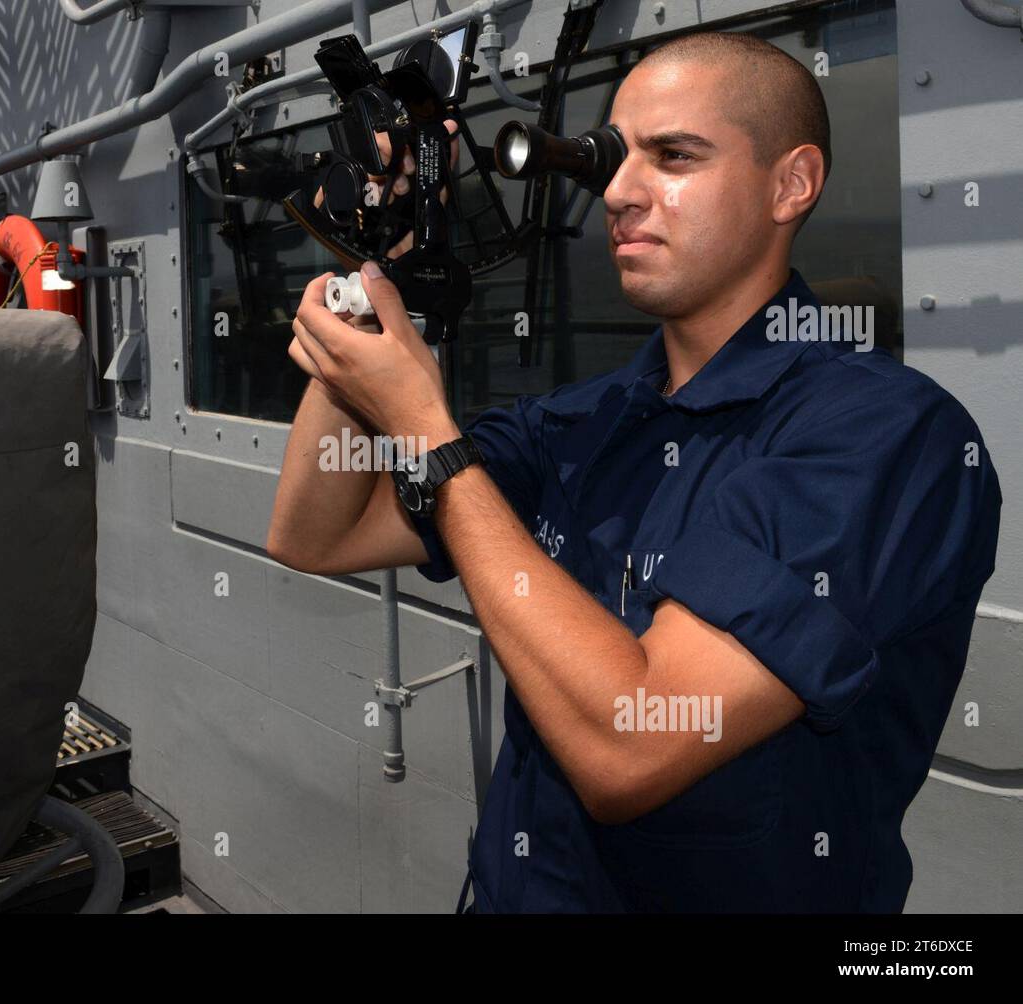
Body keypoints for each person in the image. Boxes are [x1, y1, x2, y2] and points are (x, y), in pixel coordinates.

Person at [267, 31, 1002, 912]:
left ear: (791, 184)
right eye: (613, 160)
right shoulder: (583, 421)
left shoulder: (887, 439)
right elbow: (317, 532)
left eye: (675, 156)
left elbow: (629, 748)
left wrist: (428, 431)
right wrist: (371, 277)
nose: (617, 192)